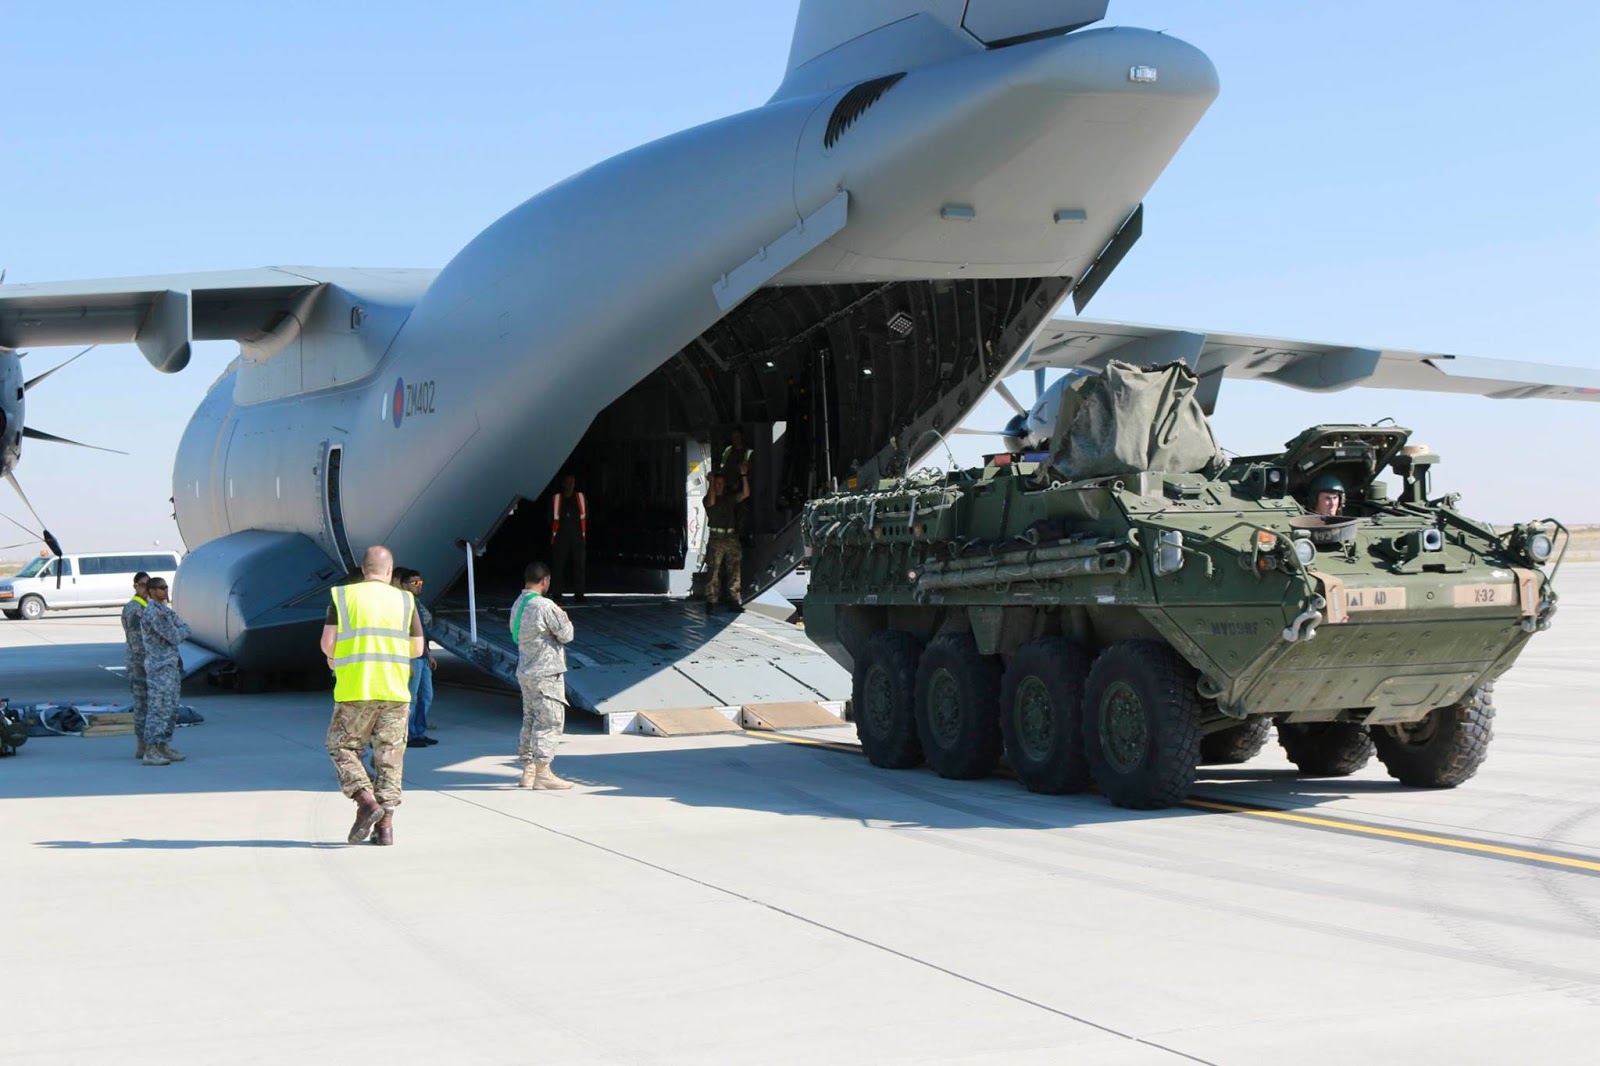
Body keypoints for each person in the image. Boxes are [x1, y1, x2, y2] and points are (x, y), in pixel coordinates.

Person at [321, 545, 425, 846]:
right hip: (394, 690)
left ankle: (365, 800)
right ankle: (386, 829)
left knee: (341, 747)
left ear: (364, 570)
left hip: (356, 688)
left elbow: (328, 644)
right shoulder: (406, 600)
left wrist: (341, 655)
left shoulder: (343, 596)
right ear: (390, 572)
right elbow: (417, 649)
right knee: (390, 759)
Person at [512, 561, 576, 790]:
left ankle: (528, 770)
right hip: (546, 672)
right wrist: (565, 618)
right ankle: (543, 772)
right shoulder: (544, 606)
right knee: (550, 721)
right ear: (545, 581)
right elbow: (567, 635)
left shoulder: (518, 604)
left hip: (526, 670)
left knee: (529, 720)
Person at [138, 577, 191, 766]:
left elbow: (186, 627)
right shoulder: (154, 613)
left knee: (171, 708)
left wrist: (179, 632)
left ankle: (163, 745)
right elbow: (175, 636)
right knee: (158, 708)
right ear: (152, 591)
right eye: (162, 588)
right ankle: (150, 750)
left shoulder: (165, 611)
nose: (165, 591)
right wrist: (179, 633)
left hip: (170, 666)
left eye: (166, 587)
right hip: (159, 667)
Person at [393, 568, 437, 749]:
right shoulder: (401, 604)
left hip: (422, 657)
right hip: (412, 657)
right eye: (415, 583)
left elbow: (421, 633)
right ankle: (409, 734)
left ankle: (419, 731)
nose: (419, 586)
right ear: (404, 585)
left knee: (426, 696)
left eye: (421, 583)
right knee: (411, 697)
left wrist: (428, 654)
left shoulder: (416, 603)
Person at [703, 468, 749, 611]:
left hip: (731, 537)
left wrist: (744, 475)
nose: (719, 486)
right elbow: (710, 501)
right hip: (716, 537)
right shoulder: (708, 498)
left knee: (734, 569)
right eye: (717, 483)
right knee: (714, 569)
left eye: (721, 483)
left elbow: (746, 494)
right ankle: (711, 600)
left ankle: (734, 599)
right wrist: (710, 483)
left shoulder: (729, 498)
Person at [121, 571, 150, 760]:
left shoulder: (149, 606)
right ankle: (142, 745)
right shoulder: (135, 609)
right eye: (142, 585)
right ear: (136, 587)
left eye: (150, 585)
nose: (146, 588)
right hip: (141, 664)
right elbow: (137, 642)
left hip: (149, 664)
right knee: (142, 706)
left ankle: (153, 744)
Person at [549, 472, 587, 604]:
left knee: (579, 566)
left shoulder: (581, 498)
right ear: (563, 484)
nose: (571, 485)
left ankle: (580, 594)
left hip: (577, 537)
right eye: (568, 482)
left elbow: (586, 515)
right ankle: (557, 593)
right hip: (561, 537)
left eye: (573, 483)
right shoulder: (557, 498)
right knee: (559, 566)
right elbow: (550, 517)